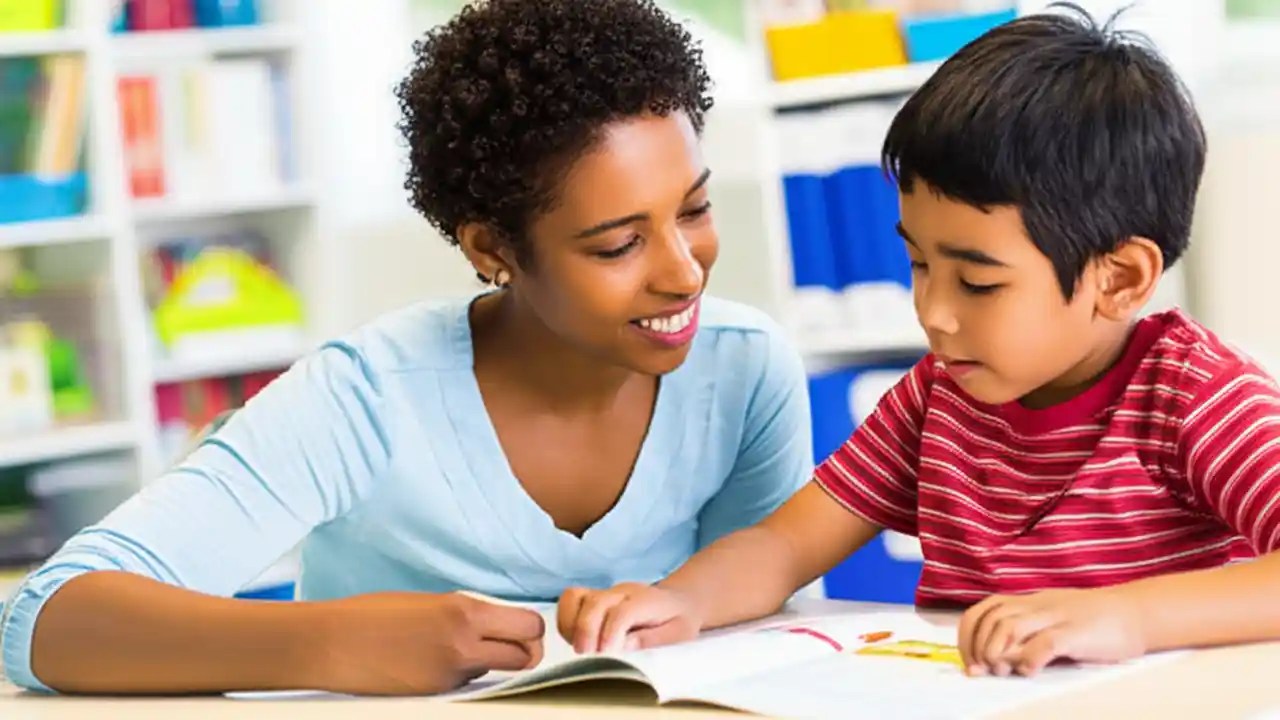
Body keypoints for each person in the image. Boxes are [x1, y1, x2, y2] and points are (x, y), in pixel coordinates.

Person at [0, 0, 813, 696]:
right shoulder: (366, 396)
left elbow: (766, 620)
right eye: (616, 246)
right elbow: (47, 618)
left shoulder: (743, 370)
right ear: (492, 247)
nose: (683, 272)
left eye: (695, 209)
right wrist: (325, 643)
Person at [559, 3, 1280, 678]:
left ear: (1119, 278)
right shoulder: (937, 395)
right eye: (920, 264)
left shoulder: (1194, 396)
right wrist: (682, 601)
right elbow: (784, 545)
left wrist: (1129, 616)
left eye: (978, 283)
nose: (934, 313)